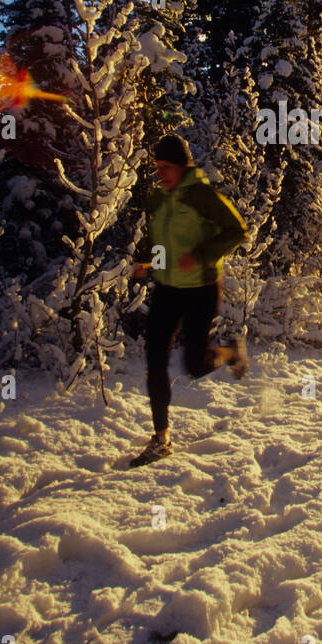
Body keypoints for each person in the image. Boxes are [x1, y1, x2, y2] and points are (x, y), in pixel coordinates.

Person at [129, 132, 249, 468]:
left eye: (167, 167)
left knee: (194, 366)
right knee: (154, 360)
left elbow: (237, 230)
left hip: (201, 288)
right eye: (157, 167)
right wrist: (147, 260)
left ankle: (229, 352)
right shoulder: (159, 198)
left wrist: (199, 256)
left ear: (183, 167)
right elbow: (158, 240)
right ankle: (161, 438)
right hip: (168, 288)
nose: (161, 174)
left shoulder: (202, 196)